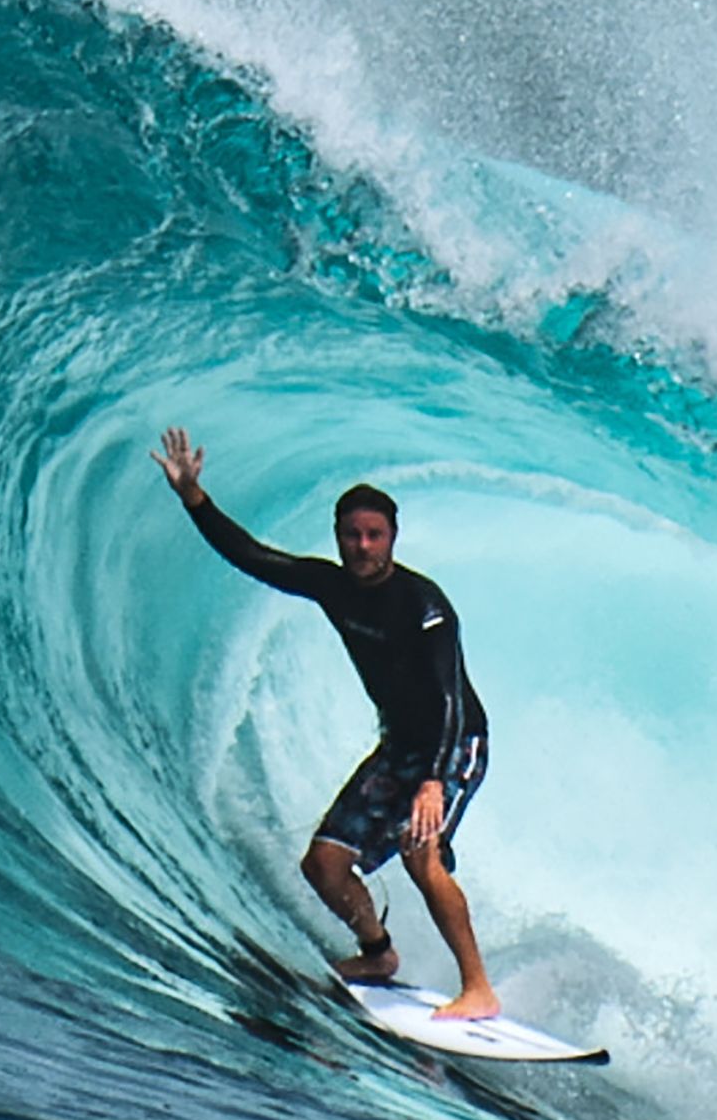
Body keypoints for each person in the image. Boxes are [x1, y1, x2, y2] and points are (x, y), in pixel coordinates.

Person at [153, 427, 500, 1021]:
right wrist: (194, 499)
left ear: (392, 539)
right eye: (352, 535)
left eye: (374, 535)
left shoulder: (425, 608)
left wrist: (433, 783)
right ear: (339, 537)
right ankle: (377, 953)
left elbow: (448, 698)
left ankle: (478, 990)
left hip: (454, 746)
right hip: (400, 747)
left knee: (422, 857)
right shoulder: (330, 585)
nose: (363, 546)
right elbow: (251, 555)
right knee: (324, 865)